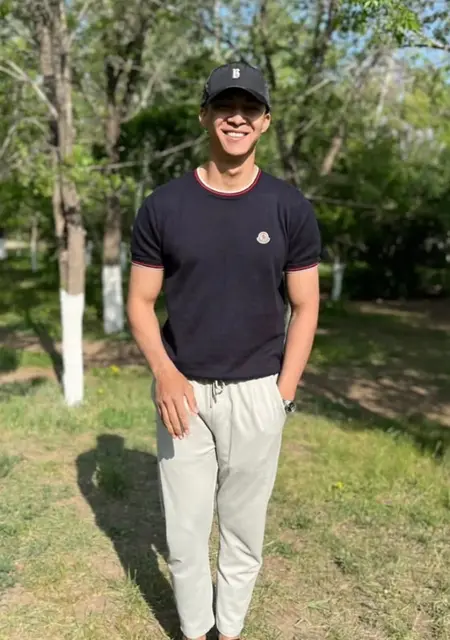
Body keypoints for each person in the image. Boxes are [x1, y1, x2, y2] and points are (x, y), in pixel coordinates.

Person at [127, 62, 321, 640]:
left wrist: (283, 394)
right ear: (205, 116)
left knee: (243, 532)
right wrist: (164, 373)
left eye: (249, 108)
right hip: (182, 393)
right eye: (224, 107)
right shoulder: (164, 206)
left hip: (258, 394)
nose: (236, 118)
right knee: (185, 537)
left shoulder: (289, 207)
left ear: (265, 122)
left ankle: (229, 630)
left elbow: (306, 305)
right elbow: (140, 301)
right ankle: (196, 630)